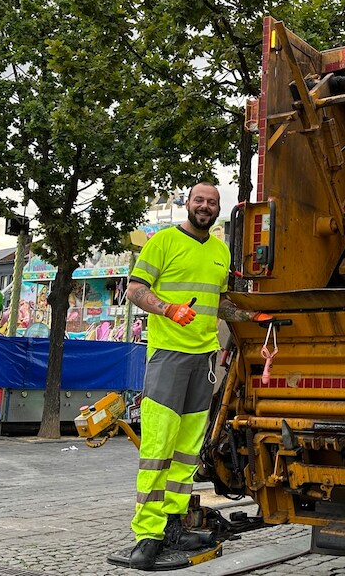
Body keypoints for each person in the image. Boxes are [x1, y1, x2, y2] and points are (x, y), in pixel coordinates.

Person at [107, 182, 273, 571]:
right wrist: (167, 309)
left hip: (204, 361)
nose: (204, 206)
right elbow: (134, 290)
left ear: (218, 209)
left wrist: (254, 317)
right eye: (199, 200)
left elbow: (221, 304)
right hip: (168, 357)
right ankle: (147, 536)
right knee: (158, 450)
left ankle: (174, 524)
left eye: (212, 202)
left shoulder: (219, 250)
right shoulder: (162, 242)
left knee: (185, 452)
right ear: (188, 203)